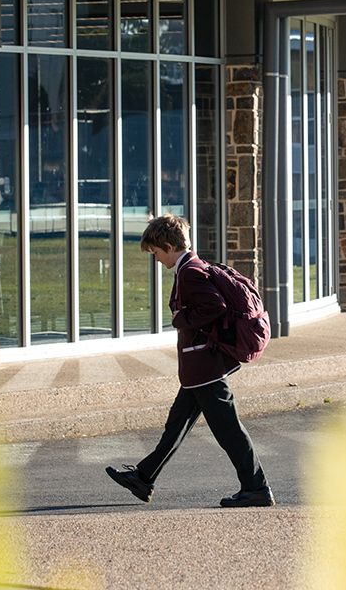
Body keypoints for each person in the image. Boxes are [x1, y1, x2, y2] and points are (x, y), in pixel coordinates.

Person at [106, 214, 274, 507]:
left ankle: (256, 487)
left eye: (156, 253)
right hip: (199, 367)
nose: (156, 259)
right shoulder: (193, 267)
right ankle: (143, 477)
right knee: (177, 424)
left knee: (228, 430)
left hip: (204, 366)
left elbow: (215, 306)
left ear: (169, 246)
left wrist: (181, 319)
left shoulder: (190, 272)